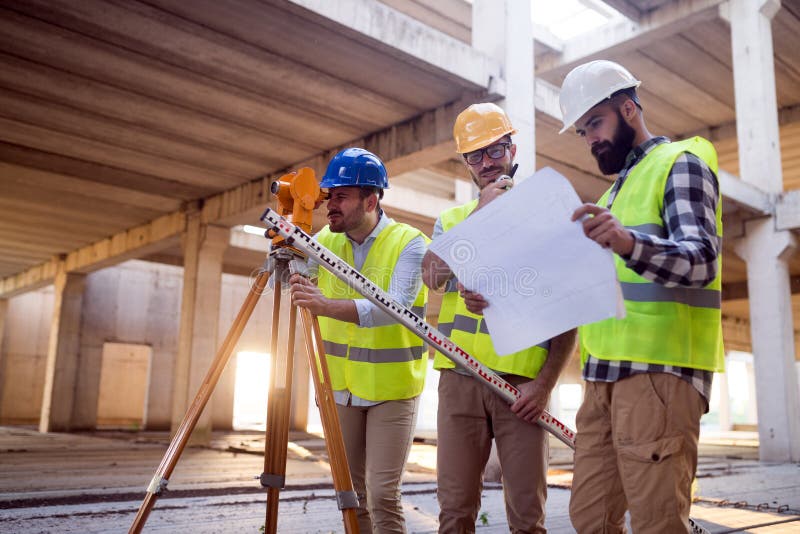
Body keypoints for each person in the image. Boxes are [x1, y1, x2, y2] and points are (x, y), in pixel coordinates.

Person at [559, 60, 724, 533]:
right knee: (590, 519)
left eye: (595, 123)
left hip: (658, 377)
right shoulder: (611, 197)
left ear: (628, 109)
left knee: (656, 522)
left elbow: (701, 260)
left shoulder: (680, 164)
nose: (590, 139)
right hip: (602, 379)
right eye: (582, 131)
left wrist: (628, 242)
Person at [421, 103, 577, 533]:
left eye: (496, 150)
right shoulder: (453, 220)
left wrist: (544, 386)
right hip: (459, 383)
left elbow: (569, 313)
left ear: (512, 148)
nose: (488, 163)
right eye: (477, 155)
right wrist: (477, 217)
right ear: (466, 163)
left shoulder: (550, 217)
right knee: (454, 515)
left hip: (521, 390)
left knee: (528, 519)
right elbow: (433, 276)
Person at [288, 147, 429, 534]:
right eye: (328, 196)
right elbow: (294, 278)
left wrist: (328, 305)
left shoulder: (411, 243)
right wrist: (286, 250)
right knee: (351, 495)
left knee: (383, 495)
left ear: (371, 200)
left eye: (340, 196)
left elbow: (396, 307)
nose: (329, 205)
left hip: (392, 390)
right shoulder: (324, 241)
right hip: (339, 390)